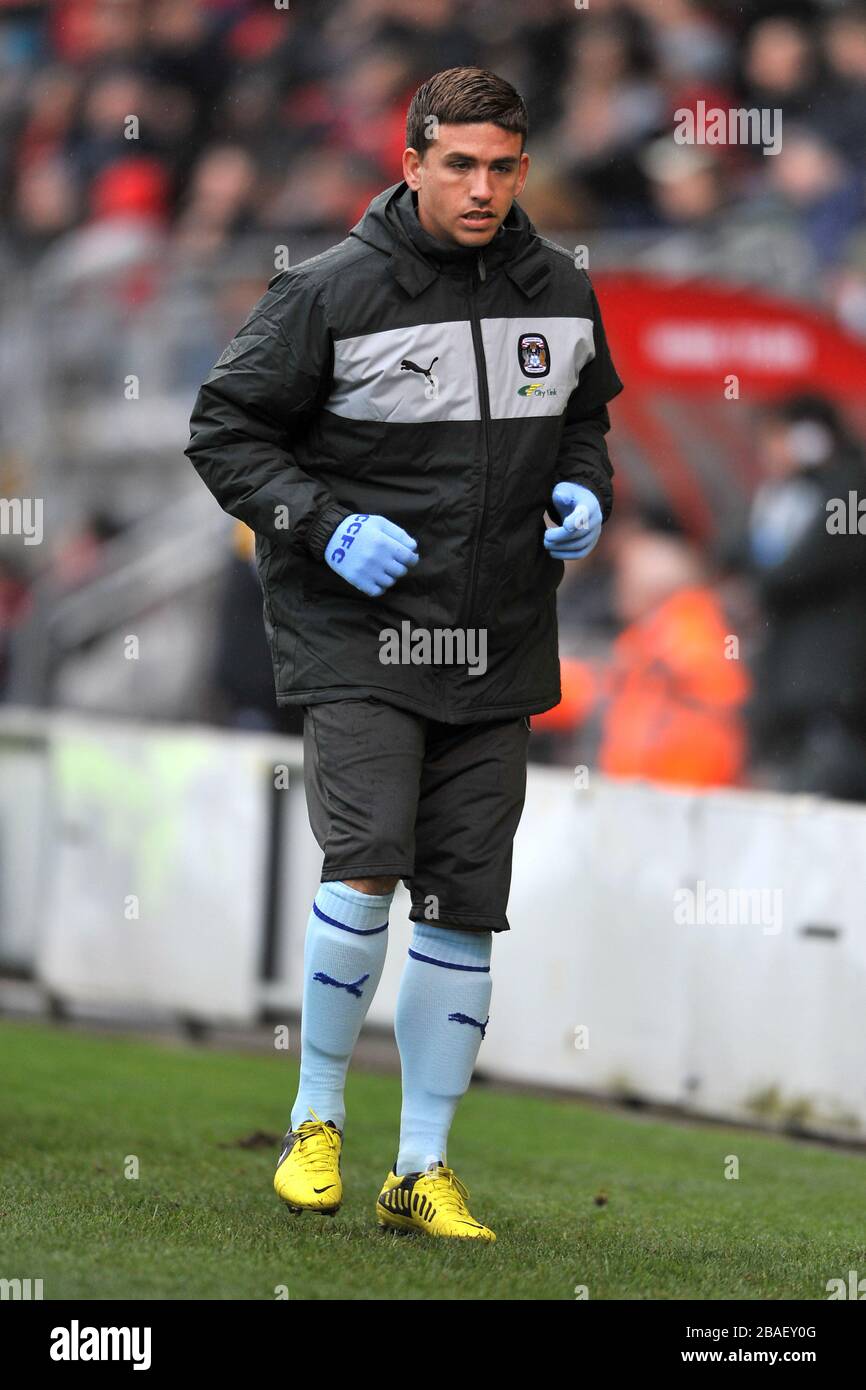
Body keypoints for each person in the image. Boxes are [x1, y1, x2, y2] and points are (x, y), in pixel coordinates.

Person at [186, 66, 623, 1241]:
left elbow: (583, 419)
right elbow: (222, 426)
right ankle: (314, 1120)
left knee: (467, 903)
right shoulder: (329, 291)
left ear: (522, 167)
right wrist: (326, 526)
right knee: (368, 856)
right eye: (459, 166)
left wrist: (583, 491)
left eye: (502, 167)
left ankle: (418, 1167)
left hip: (498, 640)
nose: (482, 188)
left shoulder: (559, 289)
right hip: (359, 633)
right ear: (411, 161)